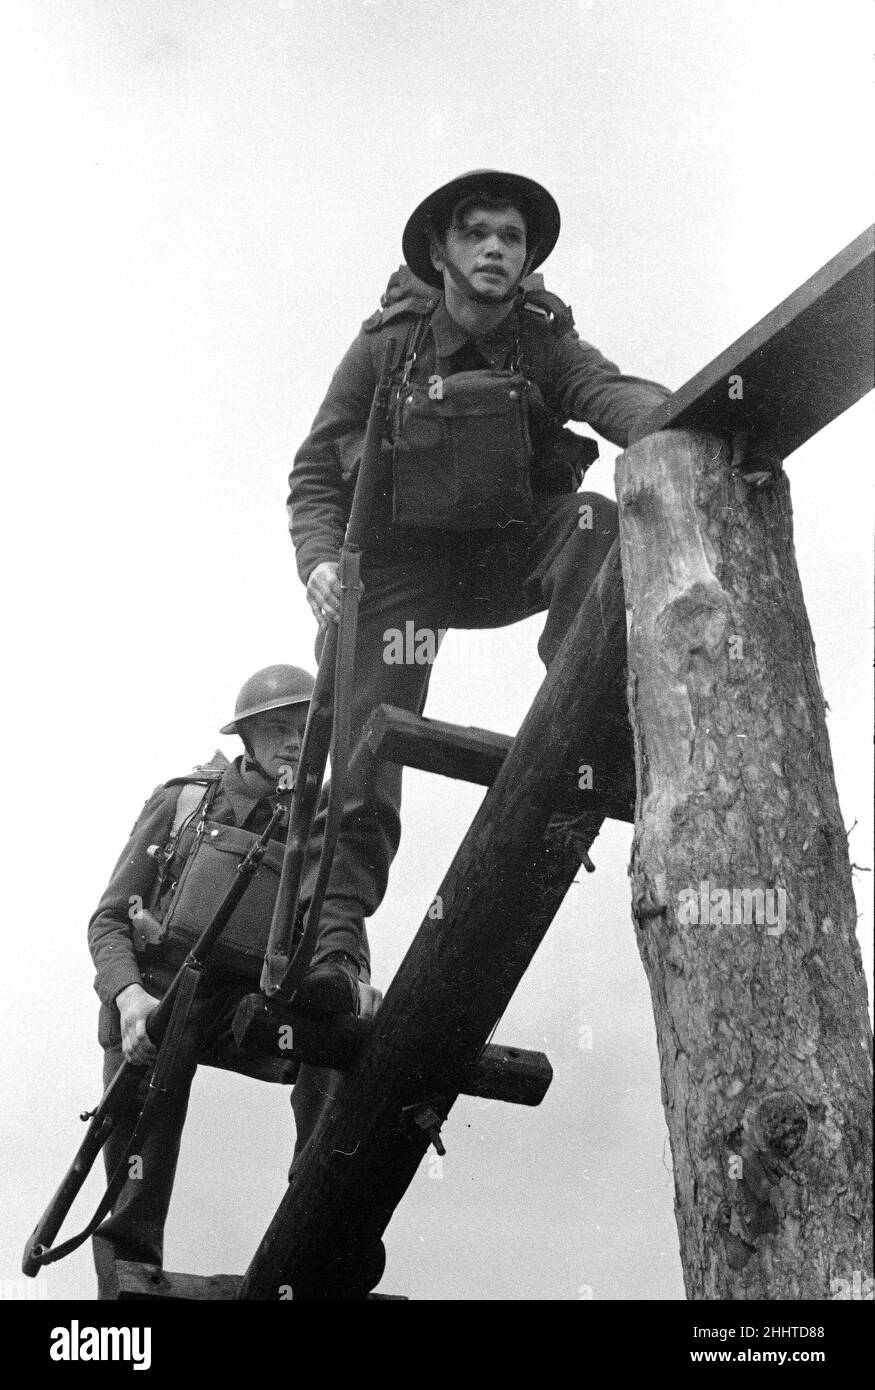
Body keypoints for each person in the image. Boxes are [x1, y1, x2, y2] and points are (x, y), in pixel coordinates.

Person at [289, 169, 672, 1015]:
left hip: (500, 558)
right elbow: (317, 467)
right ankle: (336, 946)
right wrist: (317, 559)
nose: (495, 248)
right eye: (475, 234)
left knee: (591, 522)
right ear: (440, 251)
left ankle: (578, 718)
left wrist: (687, 420)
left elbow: (606, 393)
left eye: (510, 237)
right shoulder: (386, 344)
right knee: (363, 749)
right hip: (401, 583)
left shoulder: (541, 337)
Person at [87, 663, 368, 1297]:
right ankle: (127, 1290)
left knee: (341, 1049)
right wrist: (129, 996)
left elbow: (337, 933)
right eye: (277, 727)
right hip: (162, 1000)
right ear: (246, 735)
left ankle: (320, 1225)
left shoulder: (325, 819)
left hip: (251, 1010)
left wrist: (351, 979)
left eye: (307, 727)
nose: (295, 741)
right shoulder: (185, 800)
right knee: (138, 1129)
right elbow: (109, 919)